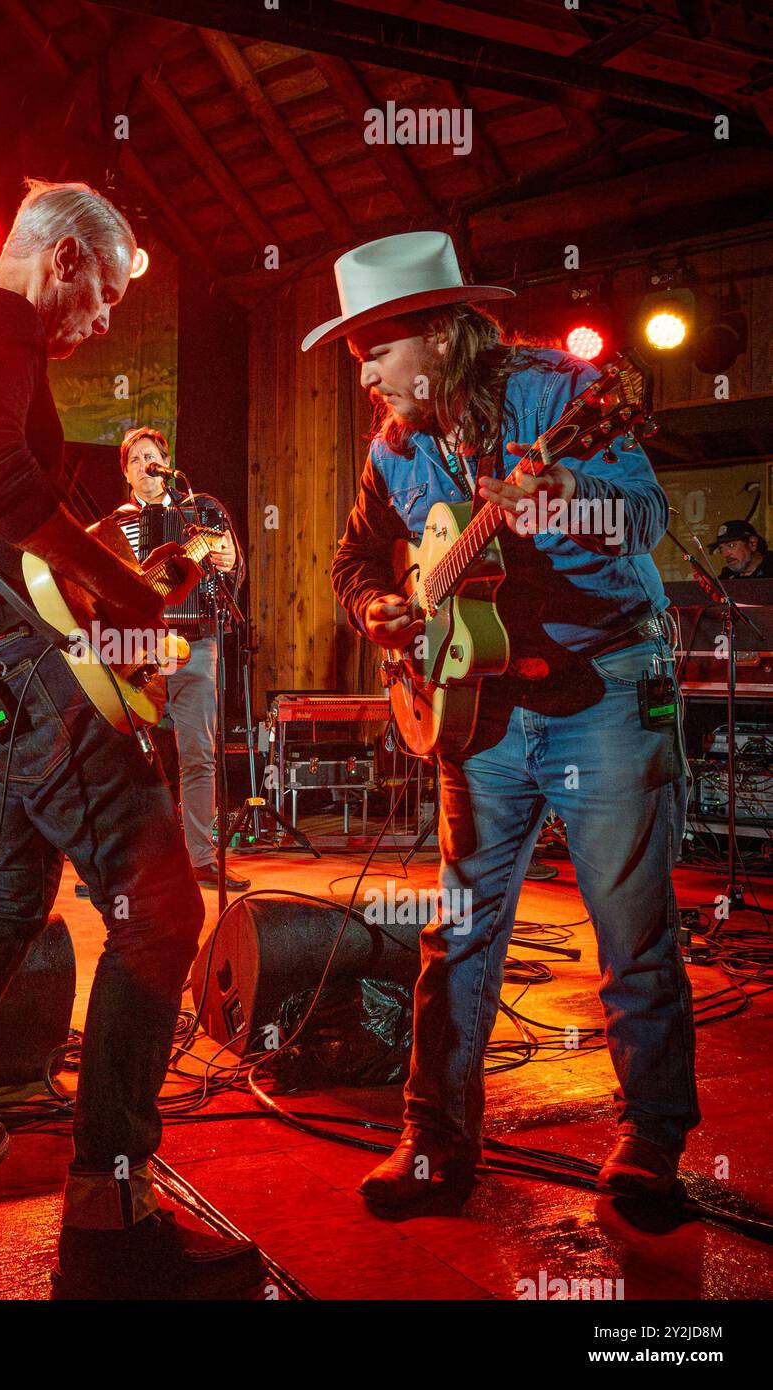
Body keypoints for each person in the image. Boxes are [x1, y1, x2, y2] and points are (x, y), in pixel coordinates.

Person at [0, 178, 264, 1298]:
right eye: (98, 298)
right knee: (160, 912)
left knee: (8, 904)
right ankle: (109, 1216)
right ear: (59, 260)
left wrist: (97, 570)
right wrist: (117, 590)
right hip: (11, 674)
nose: (97, 325)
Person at [315, 231, 697, 1208]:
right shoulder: (392, 448)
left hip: (603, 681)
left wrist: (567, 497)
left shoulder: (556, 394)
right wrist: (381, 612)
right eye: (356, 355)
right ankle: (435, 1140)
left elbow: (645, 517)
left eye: (375, 350)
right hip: (478, 705)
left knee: (628, 921)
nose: (365, 375)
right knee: (459, 927)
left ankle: (651, 1136)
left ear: (439, 340)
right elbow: (356, 563)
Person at [107, 426, 249, 891]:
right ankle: (127, 862)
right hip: (140, 651)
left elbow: (234, 571)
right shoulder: (118, 523)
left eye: (152, 456)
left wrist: (229, 560)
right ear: (127, 472)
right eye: (135, 459)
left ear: (165, 464)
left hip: (198, 644)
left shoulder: (201, 511)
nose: (145, 464)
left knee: (198, 754)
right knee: (128, 756)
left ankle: (201, 858)